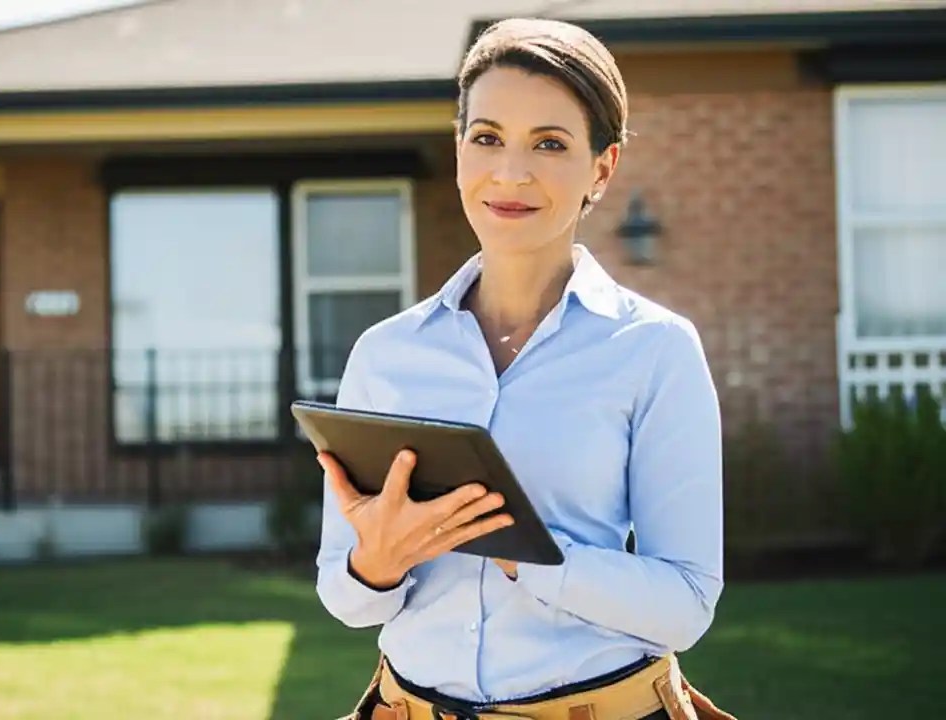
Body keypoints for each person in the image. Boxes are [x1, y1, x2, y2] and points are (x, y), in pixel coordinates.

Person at [314, 17, 736, 720]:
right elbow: (344, 596)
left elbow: (687, 604)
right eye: (486, 138)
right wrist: (376, 564)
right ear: (458, 152)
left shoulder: (654, 349)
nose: (510, 173)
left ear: (601, 169)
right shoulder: (386, 356)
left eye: (549, 143)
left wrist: (527, 553)